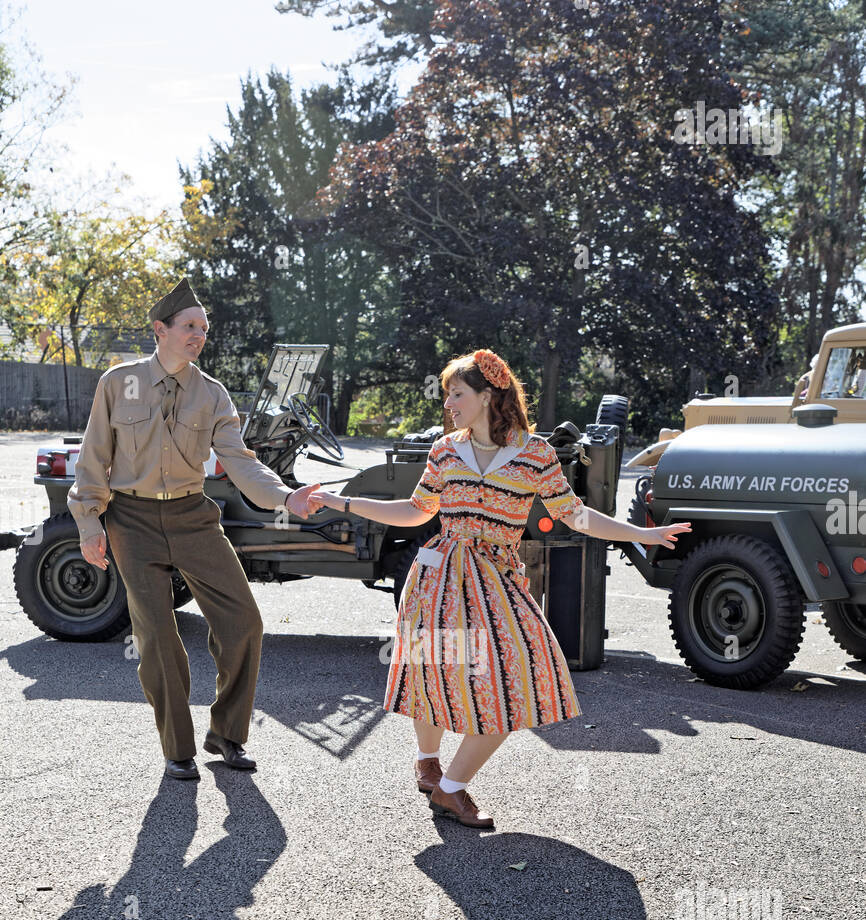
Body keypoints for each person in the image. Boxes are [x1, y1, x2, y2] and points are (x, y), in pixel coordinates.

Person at [307, 347, 691, 829]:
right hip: (438, 577)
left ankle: (450, 789)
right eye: (448, 395)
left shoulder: (535, 454)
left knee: (520, 676)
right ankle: (428, 763)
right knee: (432, 671)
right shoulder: (445, 449)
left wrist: (641, 533)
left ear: (489, 395)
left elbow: (574, 514)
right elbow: (415, 511)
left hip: (496, 577)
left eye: (457, 394)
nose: (448, 403)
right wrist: (344, 502)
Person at [69, 277, 318, 780]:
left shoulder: (213, 394)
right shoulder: (119, 383)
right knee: (158, 635)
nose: (199, 335)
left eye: (204, 328)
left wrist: (285, 496)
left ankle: (226, 734)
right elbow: (94, 458)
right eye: (189, 326)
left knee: (243, 622)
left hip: (192, 515)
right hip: (131, 519)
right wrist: (89, 523)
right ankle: (177, 748)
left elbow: (241, 462)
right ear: (160, 330)